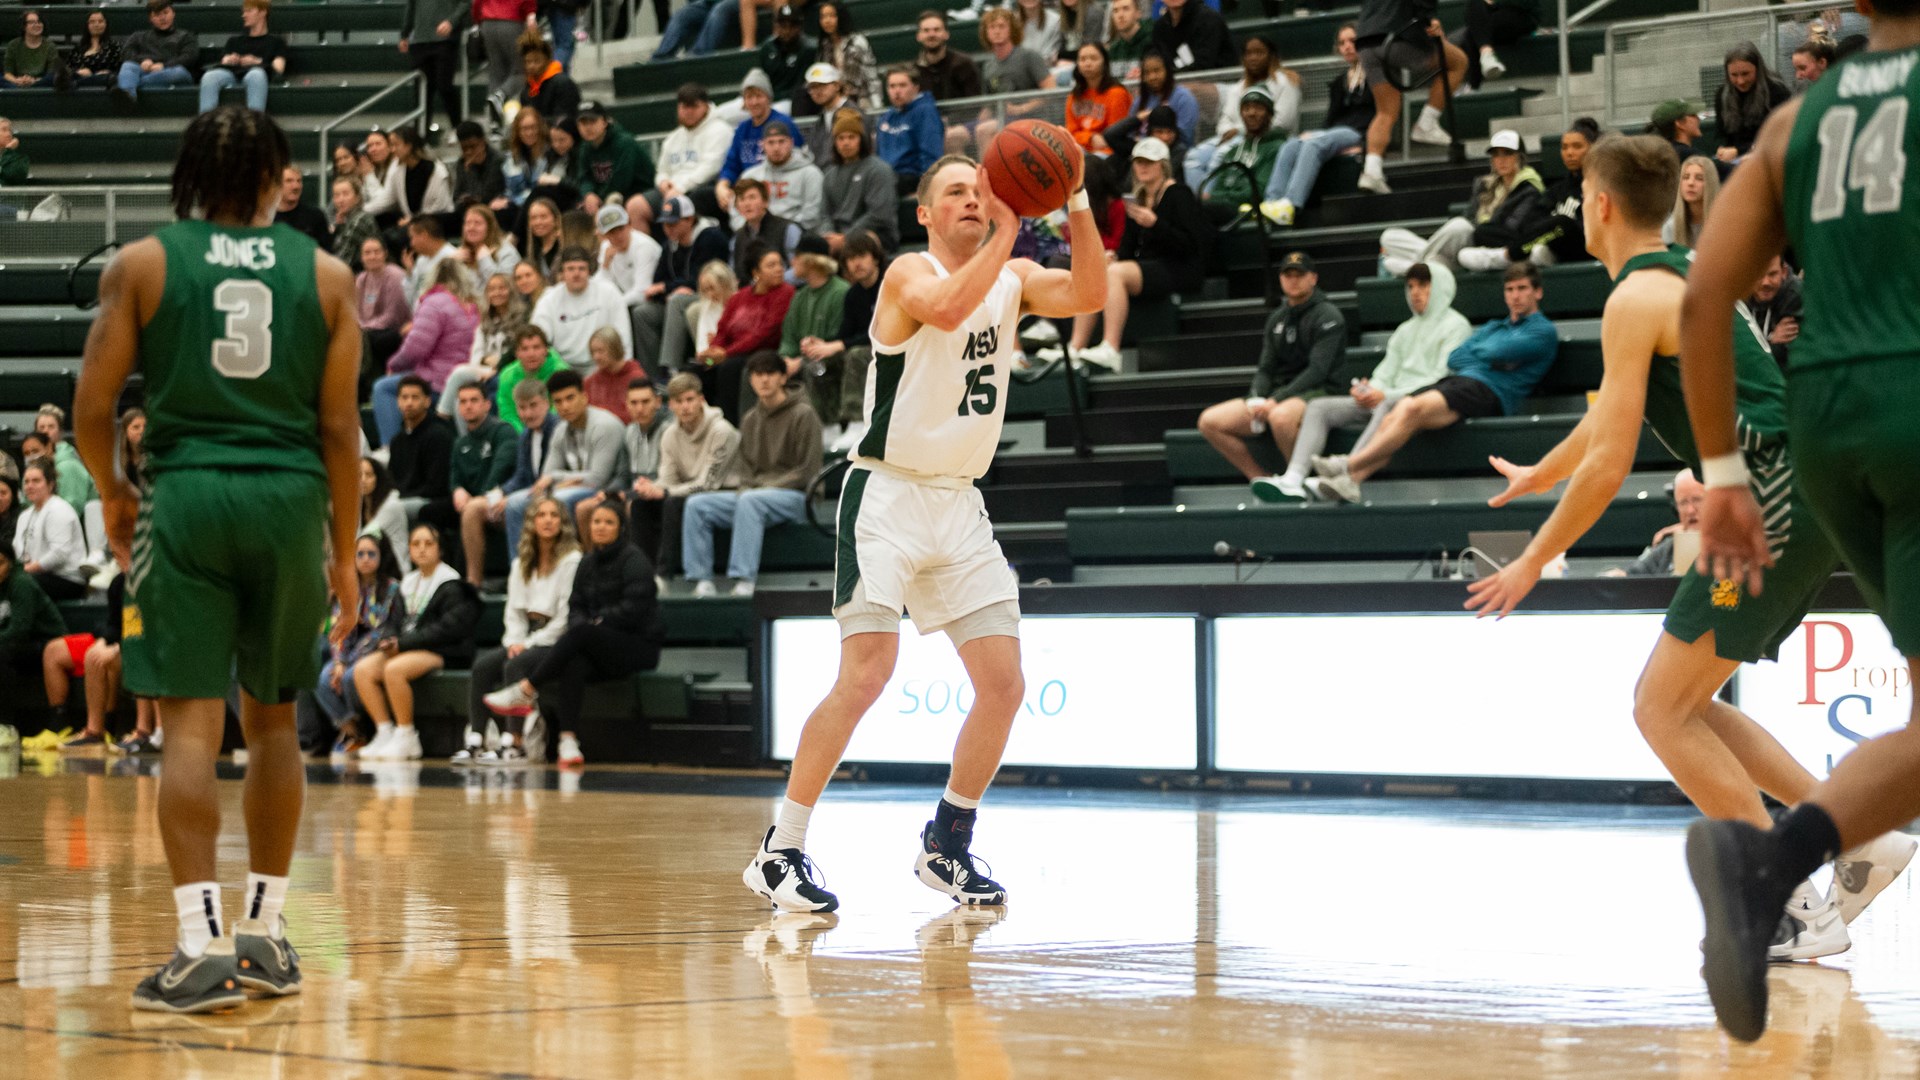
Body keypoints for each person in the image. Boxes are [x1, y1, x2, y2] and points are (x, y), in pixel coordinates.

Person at [1469, 132, 1912, 982]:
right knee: (1690, 704)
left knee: (1657, 709)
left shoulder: (1634, 298)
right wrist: (1539, 472)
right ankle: (1861, 840)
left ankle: (1789, 906)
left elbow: (1610, 465)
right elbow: (1606, 426)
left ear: (1597, 206)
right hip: (1804, 489)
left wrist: (1531, 561)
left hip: (1773, 494)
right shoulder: (1669, 278)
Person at [740, 150, 1104, 913]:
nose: (973, 200)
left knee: (1005, 686)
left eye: (982, 190)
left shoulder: (1011, 281)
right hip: (887, 495)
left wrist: (1071, 198)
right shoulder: (907, 272)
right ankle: (782, 850)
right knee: (866, 674)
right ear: (926, 213)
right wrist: (1010, 229)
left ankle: (947, 845)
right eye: (956, 193)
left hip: (959, 503)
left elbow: (1091, 291)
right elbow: (943, 309)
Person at [70, 106, 362, 1013]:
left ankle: (199, 948)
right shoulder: (328, 275)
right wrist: (346, 556)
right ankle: (268, 937)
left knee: (191, 727)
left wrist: (116, 493)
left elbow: (89, 406)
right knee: (273, 720)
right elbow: (342, 430)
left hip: (188, 495)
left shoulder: (146, 264)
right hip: (289, 501)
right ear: (279, 178)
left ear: (186, 175)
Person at [1678, 3, 1920, 1040]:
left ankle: (1769, 868)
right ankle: (1771, 866)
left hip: (1827, 421)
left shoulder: (1798, 119)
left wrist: (1724, 471)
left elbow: (1705, 300)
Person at [1307, 262, 1557, 503]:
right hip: (1459, 381)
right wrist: (1491, 352)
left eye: (1522, 288)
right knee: (1401, 409)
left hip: (1491, 392)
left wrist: (1485, 352)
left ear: (1538, 292)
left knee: (1411, 409)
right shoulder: (1494, 326)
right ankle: (1352, 480)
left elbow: (1492, 353)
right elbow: (1457, 356)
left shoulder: (1542, 330)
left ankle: (1346, 465)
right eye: (1510, 289)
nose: (1515, 296)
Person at [1260, 262, 1469, 502]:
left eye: (1423, 285)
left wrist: (1385, 394)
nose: (1415, 292)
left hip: (1419, 401)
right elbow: (1386, 371)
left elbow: (1442, 378)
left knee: (1385, 405)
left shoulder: (1457, 326)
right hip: (1387, 396)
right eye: (1410, 286)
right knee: (1319, 407)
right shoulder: (1404, 329)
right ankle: (1294, 478)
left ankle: (1345, 476)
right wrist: (1368, 389)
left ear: (1441, 287)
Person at [484, 502, 661, 767]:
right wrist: (588, 624)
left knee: (581, 633)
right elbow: (575, 605)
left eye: (608, 522)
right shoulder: (587, 562)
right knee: (574, 661)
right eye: (596, 522)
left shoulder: (635, 560)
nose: (600, 527)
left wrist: (599, 622)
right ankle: (568, 741)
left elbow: (636, 608)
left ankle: (527, 688)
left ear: (621, 528)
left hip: (636, 645)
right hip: (596, 643)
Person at [1196, 252, 1352, 501]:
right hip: (1278, 393)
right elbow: (1265, 368)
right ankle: (1261, 477)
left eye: (1299, 275)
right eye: (1287, 275)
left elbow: (1318, 371)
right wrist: (1256, 398)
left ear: (1313, 278)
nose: (1293, 280)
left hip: (1318, 390)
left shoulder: (1328, 316)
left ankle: (1298, 481)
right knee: (1210, 421)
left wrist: (1276, 399)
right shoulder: (1276, 318)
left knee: (1280, 418)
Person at [681, 353, 821, 595]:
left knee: (749, 500)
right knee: (697, 504)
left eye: (770, 374)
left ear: (782, 377)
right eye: (758, 375)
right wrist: (752, 487)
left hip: (798, 497)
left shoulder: (803, 414)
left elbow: (807, 470)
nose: (764, 380)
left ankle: (745, 579)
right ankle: (701, 580)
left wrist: (764, 487)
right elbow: (745, 470)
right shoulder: (750, 419)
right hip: (757, 496)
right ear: (751, 380)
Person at [1066, 138, 1206, 371]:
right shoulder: (1138, 199)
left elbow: (1192, 244)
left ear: (1162, 165)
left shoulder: (1178, 193)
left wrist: (1156, 224)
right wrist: (1116, 255)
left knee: (1116, 274)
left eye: (1149, 162)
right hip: (1151, 267)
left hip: (1180, 268)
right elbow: (1128, 246)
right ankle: (1075, 347)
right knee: (1098, 268)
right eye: (1139, 162)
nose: (1142, 167)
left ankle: (1111, 347)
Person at [462, 494, 581, 763]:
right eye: (542, 515)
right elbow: (514, 612)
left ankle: (514, 742)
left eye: (554, 515)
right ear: (531, 523)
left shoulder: (572, 561)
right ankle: (476, 739)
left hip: (555, 640)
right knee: (483, 665)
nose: (548, 521)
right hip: (525, 635)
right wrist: (515, 641)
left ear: (563, 523)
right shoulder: (520, 563)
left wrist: (527, 645)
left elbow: (564, 618)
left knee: (514, 666)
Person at [355, 524, 479, 761]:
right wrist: (388, 640)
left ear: (440, 550)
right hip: (409, 646)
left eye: (428, 543)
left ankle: (406, 735)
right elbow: (393, 620)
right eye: (415, 544)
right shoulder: (407, 582)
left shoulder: (451, 582)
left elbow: (445, 630)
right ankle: (384, 731)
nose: (422, 549)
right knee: (363, 669)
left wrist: (402, 644)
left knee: (394, 670)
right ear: (409, 551)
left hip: (444, 650)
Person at [1379, 129, 1543, 275]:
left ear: (1520, 157)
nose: (1501, 159)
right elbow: (1469, 215)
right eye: (1496, 154)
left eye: (1507, 153)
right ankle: (1423, 265)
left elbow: (1510, 228)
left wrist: (1475, 231)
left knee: (1460, 226)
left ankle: (1416, 266)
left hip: (1488, 246)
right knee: (1390, 236)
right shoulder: (1485, 184)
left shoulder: (1529, 188)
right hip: (1465, 241)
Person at [1258, 24, 1376, 227]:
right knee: (1293, 143)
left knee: (1313, 143)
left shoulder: (1376, 75)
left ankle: (1291, 204)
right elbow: (1331, 119)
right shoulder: (1340, 82)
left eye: (1352, 41)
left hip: (1359, 133)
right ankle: (1271, 201)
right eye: (1342, 43)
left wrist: (1366, 142)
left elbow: (1381, 115)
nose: (1347, 46)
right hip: (1336, 133)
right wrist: (1316, 133)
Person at [1455, 116, 1600, 272]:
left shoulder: (1600, 185)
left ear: (1594, 149)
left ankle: (1507, 257)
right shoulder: (1557, 189)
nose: (1569, 153)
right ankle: (1533, 255)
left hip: (1581, 248)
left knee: (1561, 224)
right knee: (1484, 232)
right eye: (1564, 147)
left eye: (1577, 146)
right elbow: (1529, 224)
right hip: (1543, 244)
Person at [1351, 0, 1466, 194]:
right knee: (1459, 61)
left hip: (1366, 42)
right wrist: (1430, 19)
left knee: (1385, 112)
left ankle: (1372, 173)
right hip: (1396, 36)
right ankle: (1427, 123)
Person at [504, 368, 623, 549]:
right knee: (515, 503)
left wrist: (556, 479)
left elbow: (598, 478)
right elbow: (545, 476)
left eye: (570, 398)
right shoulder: (561, 429)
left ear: (584, 397)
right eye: (558, 401)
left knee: (558, 500)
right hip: (572, 488)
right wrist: (558, 479)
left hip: (607, 490)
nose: (565, 406)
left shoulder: (604, 425)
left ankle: (565, 561)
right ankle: (522, 568)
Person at [637, 371, 739, 579]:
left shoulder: (722, 430)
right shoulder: (670, 434)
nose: (685, 406)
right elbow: (667, 477)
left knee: (672, 502)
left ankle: (664, 573)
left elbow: (709, 483)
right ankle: (644, 574)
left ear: (701, 400)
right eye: (678, 401)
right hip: (688, 492)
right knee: (640, 504)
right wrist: (651, 488)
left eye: (690, 400)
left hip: (725, 492)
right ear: (670, 405)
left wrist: (665, 491)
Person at [462, 374, 562, 583]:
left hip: (552, 495)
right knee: (474, 507)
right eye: (522, 408)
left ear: (546, 403)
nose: (528, 413)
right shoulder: (525, 435)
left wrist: (511, 498)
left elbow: (551, 478)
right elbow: (521, 476)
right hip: (527, 495)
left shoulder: (558, 429)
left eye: (533, 406)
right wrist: (498, 494)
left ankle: (520, 577)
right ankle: (474, 583)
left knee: (513, 505)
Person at [313, 535, 403, 757]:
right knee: (323, 677)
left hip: (377, 650)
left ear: (382, 557)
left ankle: (369, 730)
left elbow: (381, 629)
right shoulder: (347, 589)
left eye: (371, 554)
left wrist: (349, 662)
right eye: (359, 554)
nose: (365, 559)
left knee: (350, 676)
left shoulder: (391, 588)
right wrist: (339, 661)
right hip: (350, 652)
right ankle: (352, 731)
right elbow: (340, 629)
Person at [378, 261, 480, 446]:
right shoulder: (474, 304)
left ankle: (391, 448)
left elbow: (415, 349)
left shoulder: (434, 303)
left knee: (383, 388)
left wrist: (394, 364)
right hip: (467, 377)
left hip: (437, 382)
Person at [695, 243, 795, 423]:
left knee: (729, 368)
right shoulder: (739, 297)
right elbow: (723, 329)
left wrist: (725, 353)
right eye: (771, 265)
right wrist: (713, 351)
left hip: (763, 351)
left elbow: (765, 333)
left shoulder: (785, 293)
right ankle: (706, 423)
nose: (779, 269)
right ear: (756, 272)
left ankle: (733, 424)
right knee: (701, 367)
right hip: (728, 354)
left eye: (780, 264)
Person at [635, 195, 732, 374]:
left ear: (689, 219)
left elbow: (706, 278)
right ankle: (651, 375)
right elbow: (657, 281)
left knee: (678, 301)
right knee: (643, 312)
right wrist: (670, 289)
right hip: (674, 299)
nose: (668, 229)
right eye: (665, 224)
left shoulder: (710, 237)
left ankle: (671, 368)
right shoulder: (669, 245)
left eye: (673, 223)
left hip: (709, 295)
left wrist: (669, 288)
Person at [423, 381, 518, 542]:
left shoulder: (503, 431)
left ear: (487, 405)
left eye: (474, 400)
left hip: (499, 496)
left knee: (471, 511)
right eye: (463, 401)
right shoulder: (461, 442)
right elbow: (454, 475)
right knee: (429, 511)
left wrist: (477, 499)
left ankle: (469, 568)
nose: (468, 406)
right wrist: (457, 489)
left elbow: (499, 472)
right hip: (471, 500)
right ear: (458, 408)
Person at [716, 70, 805, 216]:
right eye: (749, 97)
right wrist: (722, 185)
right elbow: (732, 164)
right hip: (746, 188)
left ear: (768, 98)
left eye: (759, 96)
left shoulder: (783, 124)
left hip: (776, 187)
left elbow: (796, 159)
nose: (754, 102)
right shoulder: (742, 129)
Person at [531, 245, 631, 372]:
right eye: (570, 269)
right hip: (562, 368)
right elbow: (538, 338)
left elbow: (623, 337)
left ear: (589, 271)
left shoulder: (609, 292)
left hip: (602, 366)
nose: (576, 274)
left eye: (581, 268)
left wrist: (624, 369)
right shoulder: (549, 299)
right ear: (562, 272)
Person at [1089, 49, 1194, 164]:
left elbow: (1185, 138)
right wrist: (1139, 118)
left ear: (1167, 70)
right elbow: (1118, 135)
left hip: (1171, 156)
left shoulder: (1183, 98)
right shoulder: (1140, 101)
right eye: (1147, 73)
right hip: (1141, 151)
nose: (1152, 77)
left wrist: (1156, 134)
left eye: (1157, 70)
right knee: (1109, 160)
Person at [1189, 85, 1284, 210]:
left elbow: (1258, 192)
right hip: (1223, 207)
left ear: (1270, 114)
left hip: (1249, 211)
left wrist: (1216, 198)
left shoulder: (1277, 148)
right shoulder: (1233, 152)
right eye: (1246, 108)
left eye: (1259, 108)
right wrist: (1214, 198)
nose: (1251, 113)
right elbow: (1218, 188)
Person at [0, 538, 65, 719]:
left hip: (47, 642)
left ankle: (6, 725)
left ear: (11, 564)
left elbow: (19, 631)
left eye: (1, 563)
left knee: (2, 657)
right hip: (15, 643)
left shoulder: (21, 583)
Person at [781, 236, 850, 399]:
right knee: (761, 368)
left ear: (810, 261)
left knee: (810, 368)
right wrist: (784, 359)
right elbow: (789, 337)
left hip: (829, 359)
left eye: (796, 257)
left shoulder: (840, 292)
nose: (792, 263)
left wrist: (800, 361)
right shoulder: (800, 296)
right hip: (799, 359)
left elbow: (837, 337)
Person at [653, 83, 733, 224]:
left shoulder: (720, 130)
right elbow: (662, 170)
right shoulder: (673, 138)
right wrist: (663, 182)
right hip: (672, 190)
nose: (689, 112)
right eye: (684, 107)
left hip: (704, 187)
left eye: (694, 106)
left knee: (678, 204)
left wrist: (681, 188)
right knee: (637, 206)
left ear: (706, 106)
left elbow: (710, 169)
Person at [820, 111, 898, 253]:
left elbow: (879, 215)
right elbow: (824, 214)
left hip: (875, 235)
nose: (846, 143)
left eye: (852, 137)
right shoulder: (829, 175)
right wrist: (829, 236)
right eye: (841, 138)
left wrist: (845, 238)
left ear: (861, 139)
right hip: (838, 236)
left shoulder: (879, 169)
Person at [1610, 467, 1706, 578]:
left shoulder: (1729, 544)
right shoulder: (1668, 548)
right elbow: (1630, 576)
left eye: (1697, 500)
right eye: (1683, 502)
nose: (1690, 510)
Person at [12, 459, 86, 601]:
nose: (29, 486)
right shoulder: (25, 515)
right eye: (26, 482)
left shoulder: (59, 509)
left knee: (22, 584)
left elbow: (59, 554)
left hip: (67, 579)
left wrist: (24, 571)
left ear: (50, 484)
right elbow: (17, 550)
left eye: (36, 481)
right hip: (35, 575)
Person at [197, 0, 286, 115]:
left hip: (256, 73)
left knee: (256, 74)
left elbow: (279, 68)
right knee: (210, 76)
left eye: (249, 11)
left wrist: (257, 61)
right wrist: (230, 59)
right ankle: (206, 123)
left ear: (263, 12)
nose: (244, 15)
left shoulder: (276, 42)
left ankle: (254, 123)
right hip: (232, 72)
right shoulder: (235, 41)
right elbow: (224, 60)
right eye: (244, 12)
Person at [1714, 42, 1792, 163]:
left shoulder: (1777, 91)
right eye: (1734, 75)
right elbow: (1720, 133)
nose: (1740, 81)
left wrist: (1739, 151)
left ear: (1758, 69)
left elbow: (1781, 135)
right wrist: (1721, 149)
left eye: (1745, 74)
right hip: (1731, 157)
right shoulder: (1722, 94)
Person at [398, 0, 467, 138]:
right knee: (422, 92)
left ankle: (457, 128)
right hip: (420, 41)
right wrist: (404, 34)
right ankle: (421, 137)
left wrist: (451, 21)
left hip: (445, 40)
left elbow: (465, 3)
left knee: (444, 85)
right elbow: (411, 6)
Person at [113, 0, 199, 108]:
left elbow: (189, 57)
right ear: (150, 18)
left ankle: (127, 87)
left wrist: (163, 65)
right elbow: (126, 53)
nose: (162, 18)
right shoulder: (138, 36)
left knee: (178, 72)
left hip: (172, 72)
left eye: (165, 13)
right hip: (145, 70)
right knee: (128, 65)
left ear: (173, 13)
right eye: (157, 15)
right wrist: (143, 61)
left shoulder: (186, 36)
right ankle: (128, 99)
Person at [575, 101, 654, 217]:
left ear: (605, 122)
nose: (588, 127)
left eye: (593, 121)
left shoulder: (624, 142)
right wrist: (588, 194)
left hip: (639, 193)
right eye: (583, 123)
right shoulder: (585, 146)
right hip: (607, 196)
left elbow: (621, 181)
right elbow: (584, 176)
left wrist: (598, 199)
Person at [878, 66, 944, 195]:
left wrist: (926, 188)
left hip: (910, 176)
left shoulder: (925, 111)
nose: (897, 91)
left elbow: (931, 155)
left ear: (915, 87)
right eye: (892, 86)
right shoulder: (886, 117)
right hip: (885, 176)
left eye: (902, 85)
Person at [594, 203, 661, 328]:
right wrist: (605, 266)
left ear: (629, 225)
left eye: (621, 229)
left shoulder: (643, 246)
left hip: (654, 302)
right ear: (604, 235)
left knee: (636, 311)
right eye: (612, 232)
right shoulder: (606, 248)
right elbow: (600, 287)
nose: (618, 235)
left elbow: (641, 292)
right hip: (626, 300)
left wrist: (612, 306)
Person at [357, 236, 411, 383]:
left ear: (385, 254)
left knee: (366, 339)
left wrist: (363, 328)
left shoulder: (395, 276)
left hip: (397, 329)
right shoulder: (361, 278)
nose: (372, 256)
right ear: (361, 257)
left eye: (376, 252)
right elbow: (356, 312)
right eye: (367, 253)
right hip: (370, 330)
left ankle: (367, 382)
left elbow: (392, 316)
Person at [730, 177, 804, 282]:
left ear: (765, 202)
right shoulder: (737, 238)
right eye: (742, 199)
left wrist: (767, 282)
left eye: (752, 197)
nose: (747, 204)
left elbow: (801, 269)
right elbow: (734, 275)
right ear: (737, 207)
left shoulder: (788, 229)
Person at [1451, 0, 1537, 89]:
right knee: (1475, 5)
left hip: (1520, 14)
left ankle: (1474, 84)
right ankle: (1486, 54)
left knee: (1474, 30)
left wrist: (1494, 2)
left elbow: (1524, 4)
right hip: (1492, 15)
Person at [1065, 43, 1132, 153]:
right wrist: (1090, 138)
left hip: (1109, 152)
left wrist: (1085, 139)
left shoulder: (1117, 94)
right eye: (1082, 59)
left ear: (1104, 62)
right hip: (1081, 149)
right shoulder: (1074, 96)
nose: (1087, 63)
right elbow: (1071, 134)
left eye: (1093, 58)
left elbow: (1117, 135)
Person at [386, 127, 454, 232]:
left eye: (396, 144)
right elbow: (388, 198)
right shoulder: (398, 171)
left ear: (409, 146)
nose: (392, 150)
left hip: (437, 224)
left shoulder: (436, 170)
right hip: (413, 224)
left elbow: (440, 205)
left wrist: (413, 220)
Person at [813, 1, 879, 110]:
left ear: (841, 17)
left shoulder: (857, 42)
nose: (827, 21)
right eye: (823, 17)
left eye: (832, 16)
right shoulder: (824, 46)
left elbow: (870, 76)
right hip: (834, 97)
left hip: (859, 97)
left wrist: (876, 105)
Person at [34, 405, 97, 515]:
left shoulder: (68, 464)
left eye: (51, 427)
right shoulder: (36, 463)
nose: (46, 431)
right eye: (41, 427)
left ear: (60, 431)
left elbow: (72, 507)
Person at [474, 0, 537, 101]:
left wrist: (478, 20)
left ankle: (493, 108)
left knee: (496, 72)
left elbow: (477, 3)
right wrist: (530, 12)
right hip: (512, 21)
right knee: (521, 71)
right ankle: (500, 96)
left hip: (488, 22)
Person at [1748, 255, 1801, 372]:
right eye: (1759, 275)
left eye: (1772, 274)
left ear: (1784, 272)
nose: (1765, 282)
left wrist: (1760, 346)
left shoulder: (1794, 296)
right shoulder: (1739, 295)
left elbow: (1785, 358)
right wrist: (1771, 340)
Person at [916, 11, 982, 102]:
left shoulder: (964, 64)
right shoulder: (914, 71)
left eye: (937, 30)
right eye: (926, 31)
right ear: (919, 36)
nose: (931, 35)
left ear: (946, 34)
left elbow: (976, 104)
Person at [1151, 0, 1234, 72]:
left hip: (1221, 81)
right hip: (1176, 83)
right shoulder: (1160, 27)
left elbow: (1204, 66)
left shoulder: (1209, 19)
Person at [360, 456, 410, 571]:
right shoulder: (360, 506)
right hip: (370, 567)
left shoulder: (391, 505)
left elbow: (366, 537)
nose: (363, 480)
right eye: (358, 475)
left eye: (368, 475)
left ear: (378, 478)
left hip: (395, 569)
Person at [518, 33, 579, 124]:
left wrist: (535, 124)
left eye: (537, 61)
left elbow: (564, 121)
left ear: (548, 61)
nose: (532, 66)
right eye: (528, 62)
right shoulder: (526, 91)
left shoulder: (563, 84)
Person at [583, 326, 644, 416]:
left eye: (600, 351)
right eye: (593, 352)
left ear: (615, 348)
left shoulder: (637, 378)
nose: (596, 357)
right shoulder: (590, 382)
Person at [798, 63, 860, 147]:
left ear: (837, 85)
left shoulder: (854, 113)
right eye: (812, 87)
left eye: (822, 85)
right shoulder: (820, 121)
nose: (817, 91)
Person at [1663, 155, 1719, 247]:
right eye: (1685, 177)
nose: (1691, 183)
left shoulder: (1724, 226)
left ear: (1710, 184)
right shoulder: (1670, 227)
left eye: (1699, 178)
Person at [457, 204, 520, 284]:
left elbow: (502, 288)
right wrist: (451, 264)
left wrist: (485, 260)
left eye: (477, 223)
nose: (471, 228)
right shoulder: (461, 254)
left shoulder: (507, 252)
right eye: (468, 223)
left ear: (490, 227)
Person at [273, 167, 331, 251]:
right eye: (289, 181)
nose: (296, 186)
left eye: (299, 181)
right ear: (277, 185)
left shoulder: (315, 217)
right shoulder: (265, 219)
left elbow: (327, 253)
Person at [452, 123, 508, 210]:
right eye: (464, 148)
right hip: (469, 210)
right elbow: (456, 197)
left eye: (472, 146)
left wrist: (470, 171)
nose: (469, 152)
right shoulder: (461, 163)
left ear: (483, 142)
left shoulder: (498, 161)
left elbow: (490, 194)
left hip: (493, 209)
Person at [331, 177, 380, 272]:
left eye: (345, 194)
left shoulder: (359, 220)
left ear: (357, 198)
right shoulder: (345, 220)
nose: (340, 200)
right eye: (337, 195)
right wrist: (339, 227)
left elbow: (342, 262)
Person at [4, 10, 60, 90]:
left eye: (39, 22)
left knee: (53, 78)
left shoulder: (50, 46)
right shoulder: (13, 45)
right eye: (32, 22)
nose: (37, 25)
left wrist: (33, 81)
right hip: (17, 83)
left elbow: (51, 74)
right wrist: (17, 80)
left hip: (41, 83)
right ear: (24, 26)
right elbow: (7, 73)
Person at [67, 10, 122, 90]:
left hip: (101, 81)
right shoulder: (78, 48)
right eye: (92, 22)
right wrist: (78, 72)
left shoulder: (114, 47)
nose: (96, 25)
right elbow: (67, 68)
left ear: (106, 24)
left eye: (100, 21)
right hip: (77, 78)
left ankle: (77, 83)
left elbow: (120, 70)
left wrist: (106, 72)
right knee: (53, 77)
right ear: (87, 25)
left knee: (107, 78)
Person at [1105, 0, 1153, 79]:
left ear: (1138, 13)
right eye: (1115, 11)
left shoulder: (1153, 40)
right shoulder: (1114, 50)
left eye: (1126, 9)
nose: (1120, 15)